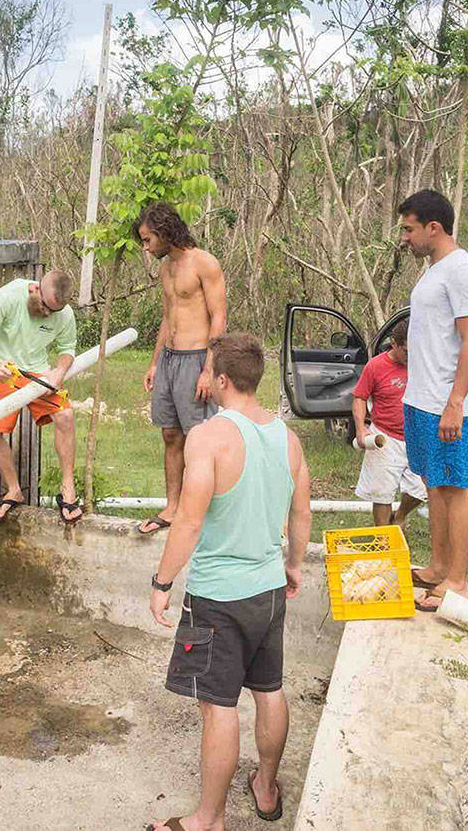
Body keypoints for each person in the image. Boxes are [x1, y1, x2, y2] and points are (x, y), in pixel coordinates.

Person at [146, 333, 312, 831]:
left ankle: (208, 819)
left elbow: (190, 522)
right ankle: (265, 786)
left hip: (218, 598)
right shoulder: (288, 438)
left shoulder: (210, 436)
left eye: (208, 372)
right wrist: (295, 564)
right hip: (267, 591)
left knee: (218, 706)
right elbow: (301, 513)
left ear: (221, 380)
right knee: (269, 690)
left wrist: (162, 581)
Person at [395, 190, 468, 611]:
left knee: (453, 487)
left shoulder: (463, 270)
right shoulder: (434, 271)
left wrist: (455, 401)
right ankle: (436, 567)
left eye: (409, 229)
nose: (404, 237)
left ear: (434, 228)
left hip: (449, 404)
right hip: (424, 399)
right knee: (434, 484)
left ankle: (458, 581)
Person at [136, 202, 228, 536]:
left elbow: (218, 317)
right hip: (170, 359)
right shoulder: (166, 269)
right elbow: (167, 317)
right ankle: (173, 507)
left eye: (148, 240)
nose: (146, 248)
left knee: (198, 439)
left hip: (196, 359)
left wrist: (209, 368)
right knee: (170, 435)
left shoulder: (204, 263)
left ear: (164, 231)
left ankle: (201, 510)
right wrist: (155, 362)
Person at [0, 270, 82, 524]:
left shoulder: (65, 314)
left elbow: (67, 348)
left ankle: (68, 488)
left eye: (54, 311)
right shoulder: (9, 295)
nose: (48, 314)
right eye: (45, 307)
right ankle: (14, 489)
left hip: (37, 372)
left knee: (65, 415)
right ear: (35, 289)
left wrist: (59, 372)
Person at [352, 318, 425, 528]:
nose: (411, 357)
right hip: (385, 437)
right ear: (394, 344)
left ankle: (400, 515)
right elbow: (359, 397)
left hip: (415, 436)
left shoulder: (421, 365)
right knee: (382, 493)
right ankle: (383, 536)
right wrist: (359, 428)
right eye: (407, 351)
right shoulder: (375, 366)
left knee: (421, 489)